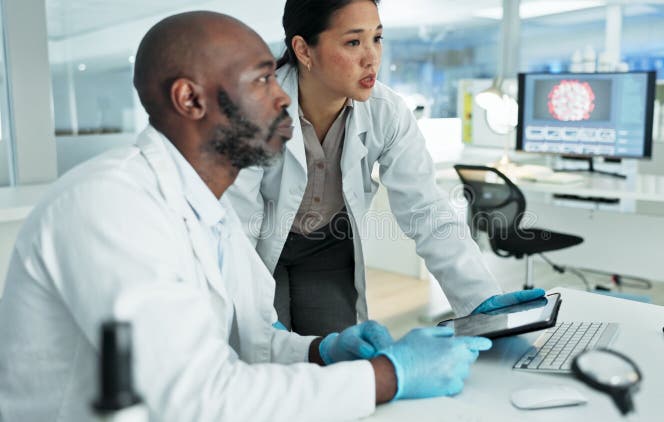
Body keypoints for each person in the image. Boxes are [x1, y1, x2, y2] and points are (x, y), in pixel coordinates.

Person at [0, 11, 491, 422]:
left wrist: (321, 351)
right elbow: (198, 399)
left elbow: (251, 344)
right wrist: (387, 375)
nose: (281, 96)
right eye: (261, 79)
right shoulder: (110, 206)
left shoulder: (206, 213)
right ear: (189, 99)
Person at [226, 0, 545, 336]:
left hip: (327, 246)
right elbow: (235, 219)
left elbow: (427, 208)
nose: (372, 58)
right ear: (304, 50)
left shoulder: (387, 111)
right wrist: (254, 309)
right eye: (353, 42)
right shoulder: (254, 108)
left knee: (331, 354)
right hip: (258, 245)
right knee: (266, 351)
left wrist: (480, 297)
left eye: (376, 38)